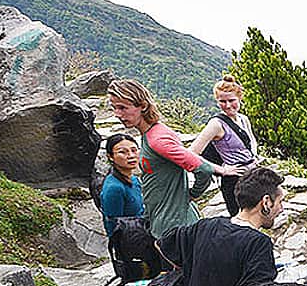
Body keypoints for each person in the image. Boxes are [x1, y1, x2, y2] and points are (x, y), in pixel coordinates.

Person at [108, 79, 240, 239]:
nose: (117, 114)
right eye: (114, 108)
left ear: (142, 106)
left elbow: (203, 169)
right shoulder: (151, 133)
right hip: (167, 224)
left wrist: (192, 194)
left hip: (175, 230)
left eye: (123, 108)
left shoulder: (158, 140)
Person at [189, 75, 258, 217]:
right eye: (222, 101)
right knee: (240, 219)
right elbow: (191, 153)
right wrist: (222, 170)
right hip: (234, 179)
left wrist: (254, 158)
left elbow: (251, 141)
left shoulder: (243, 119)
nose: (227, 105)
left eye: (231, 100)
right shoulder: (216, 124)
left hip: (251, 175)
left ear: (240, 98)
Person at [99, 133, 144, 237]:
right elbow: (113, 224)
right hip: (129, 242)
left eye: (134, 150)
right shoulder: (114, 188)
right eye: (122, 152)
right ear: (110, 157)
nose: (131, 156)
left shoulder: (134, 179)